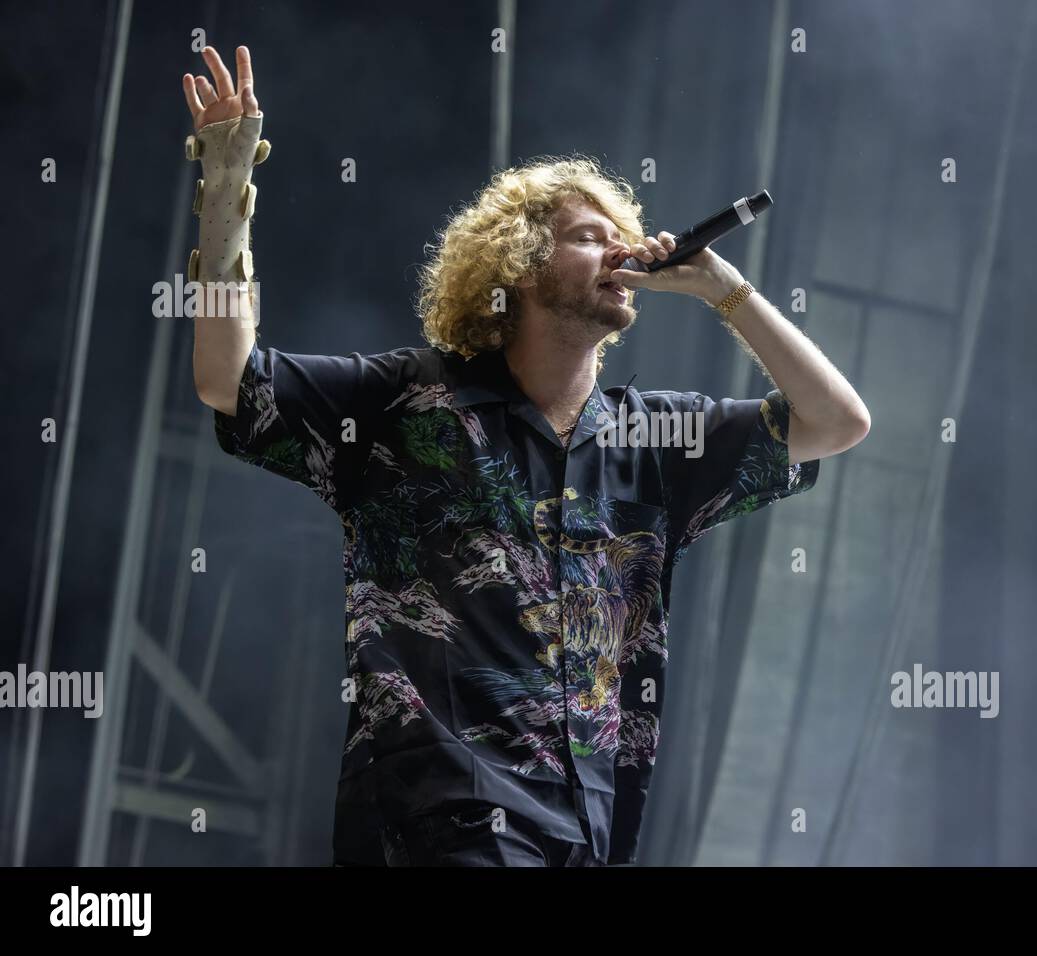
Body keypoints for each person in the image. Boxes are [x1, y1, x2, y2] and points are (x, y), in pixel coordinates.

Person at [184, 45, 871, 867]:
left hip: (588, 826)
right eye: (590, 237)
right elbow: (229, 379)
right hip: (441, 809)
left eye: (624, 237)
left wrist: (723, 289)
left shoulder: (656, 439)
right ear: (520, 260)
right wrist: (224, 208)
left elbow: (836, 421)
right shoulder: (406, 401)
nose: (621, 252)